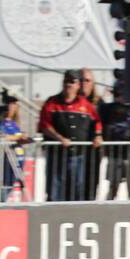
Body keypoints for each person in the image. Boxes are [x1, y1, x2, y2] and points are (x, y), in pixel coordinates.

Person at [39, 70, 102, 200]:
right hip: (57, 157)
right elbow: (44, 125)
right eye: (66, 81)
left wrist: (98, 135)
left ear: (78, 85)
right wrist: (59, 138)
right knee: (54, 192)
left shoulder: (86, 105)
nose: (69, 85)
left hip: (78, 156)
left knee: (77, 191)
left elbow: (97, 122)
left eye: (72, 82)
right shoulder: (52, 103)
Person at [0, 92, 29, 202]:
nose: (10, 106)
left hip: (13, 169)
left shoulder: (13, 124)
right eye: (8, 103)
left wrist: (23, 139)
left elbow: (10, 137)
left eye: (13, 103)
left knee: (4, 199)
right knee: (0, 200)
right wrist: (17, 137)